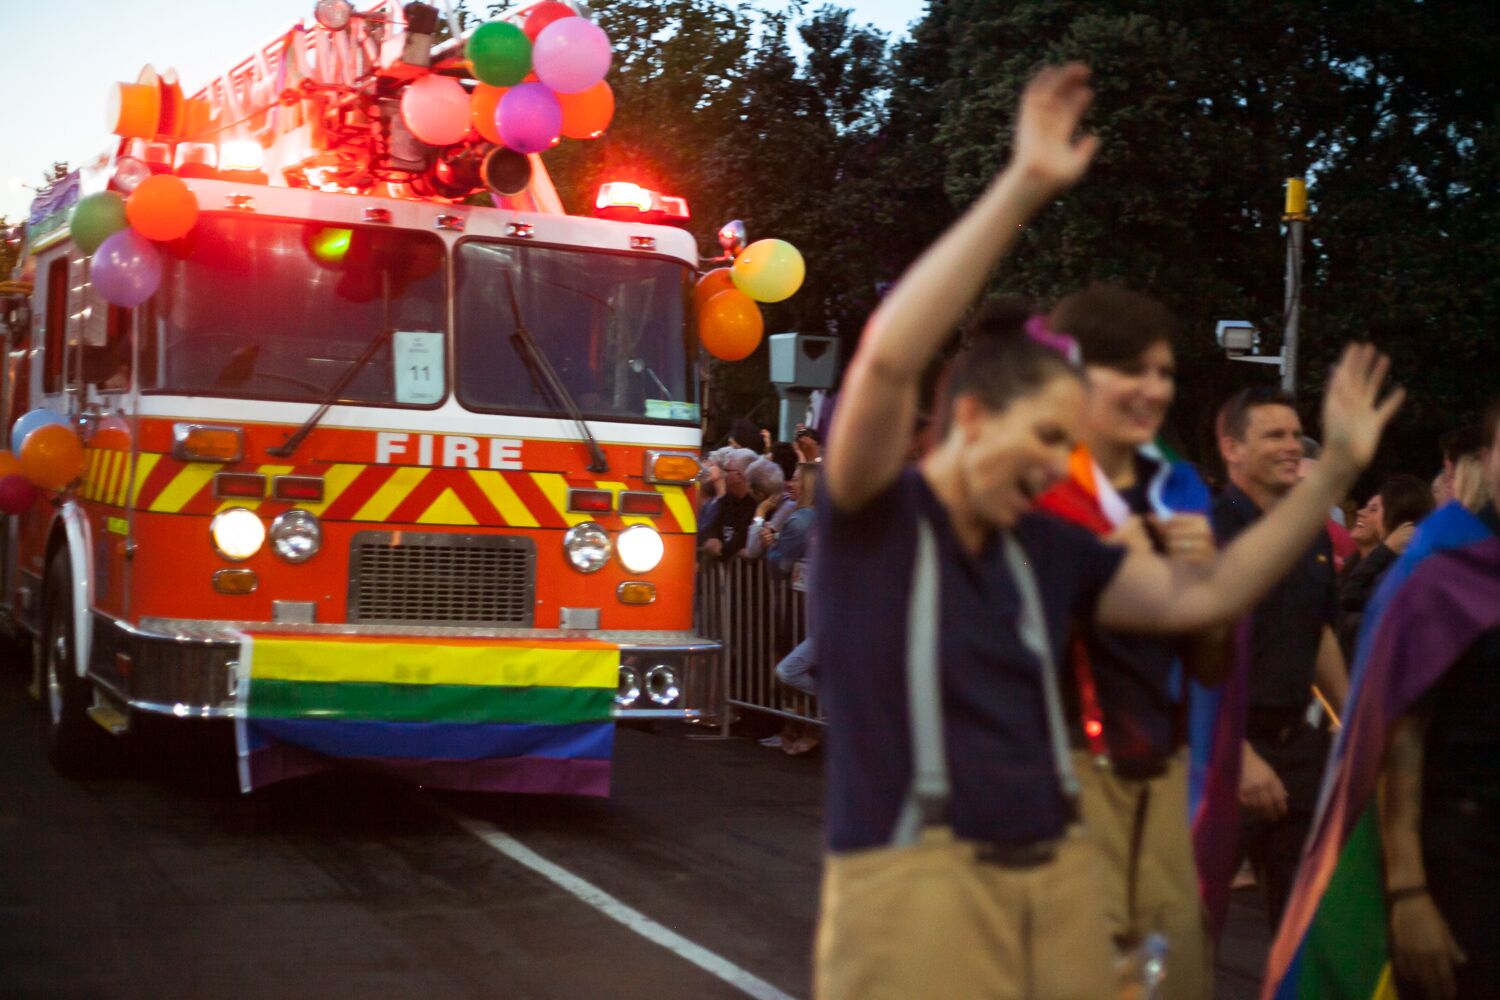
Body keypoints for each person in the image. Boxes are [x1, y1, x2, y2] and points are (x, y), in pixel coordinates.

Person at [812, 62, 1400, 999]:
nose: (1057, 467)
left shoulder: (1052, 549)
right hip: (913, 893)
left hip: (1057, 881)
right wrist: (1025, 184)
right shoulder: (875, 519)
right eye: (1043, 439)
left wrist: (1330, 472)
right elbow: (888, 361)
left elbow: (1210, 595)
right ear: (969, 418)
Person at [1038, 283, 1225, 1000]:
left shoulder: (1178, 487)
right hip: (1056, 789)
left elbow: (1209, 660)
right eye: (1132, 370)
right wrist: (1103, 569)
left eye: (1164, 372)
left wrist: (1206, 596)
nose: (1153, 389)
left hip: (1158, 781)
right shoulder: (1026, 488)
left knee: (1174, 976)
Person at [1212, 387, 1353, 930]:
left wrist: (1357, 722)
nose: (1293, 446)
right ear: (1232, 448)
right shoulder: (1205, 531)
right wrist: (1239, 755)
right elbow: (1190, 654)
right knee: (1195, 924)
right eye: (1275, 435)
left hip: (1301, 751)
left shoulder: (1310, 533)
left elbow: (1316, 634)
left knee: (1300, 928)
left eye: (1296, 434)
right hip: (1222, 755)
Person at [1381, 399, 1500, 1000]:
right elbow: (1400, 734)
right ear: (1486, 463)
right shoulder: (1444, 577)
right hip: (1465, 862)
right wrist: (1408, 891)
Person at [1338, 474, 1433, 657]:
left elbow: (1350, 595)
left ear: (1395, 512)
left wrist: (1386, 549)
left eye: (1375, 509)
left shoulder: (1405, 566)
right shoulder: (1364, 563)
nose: (1362, 512)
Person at [698, 448, 759, 559]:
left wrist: (724, 550)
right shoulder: (727, 501)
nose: (723, 475)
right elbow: (707, 527)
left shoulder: (757, 505)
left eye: (726, 471)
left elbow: (743, 539)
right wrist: (710, 539)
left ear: (740, 476)